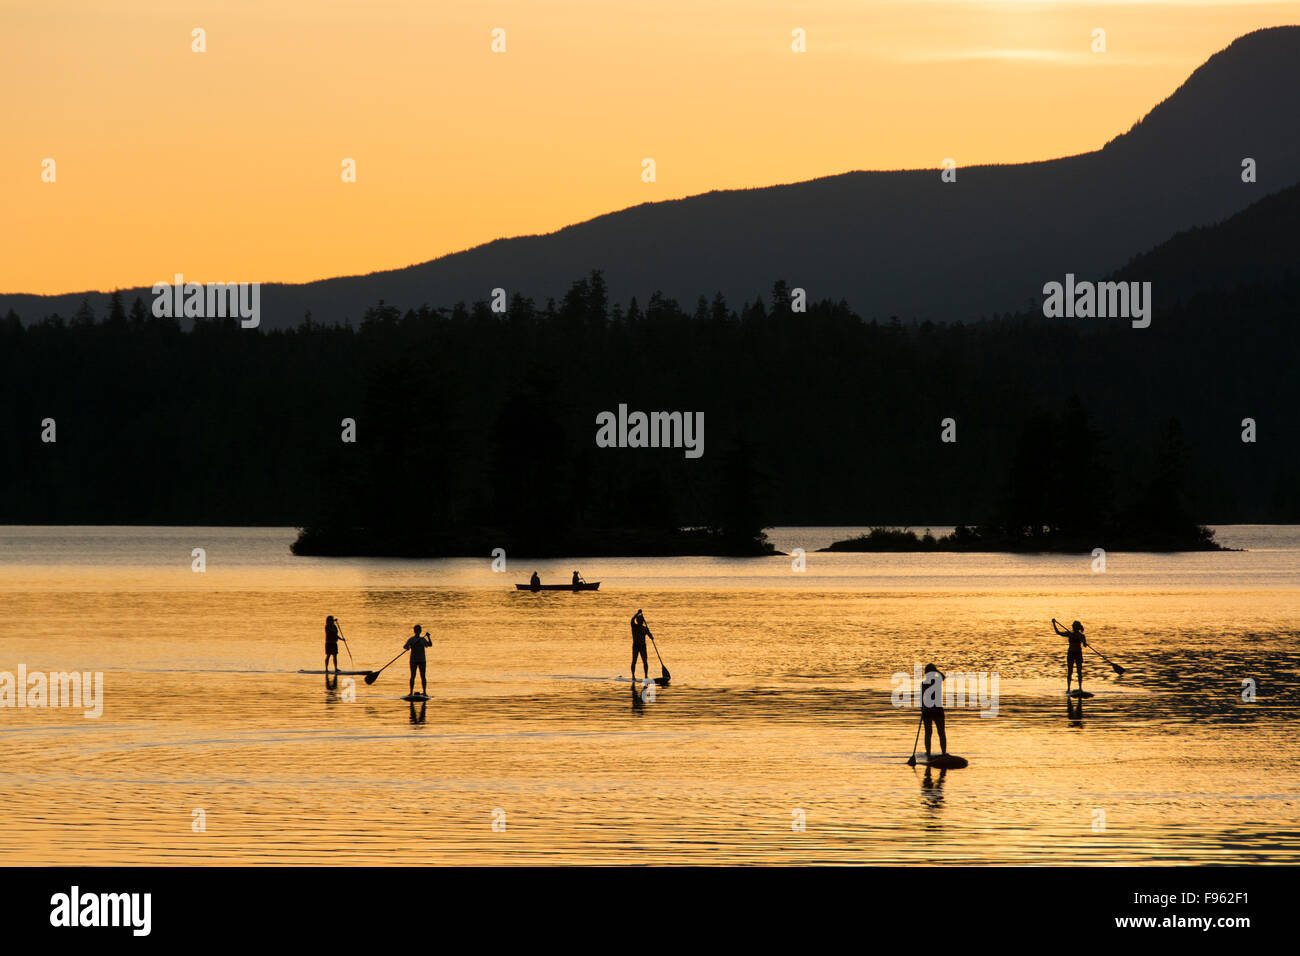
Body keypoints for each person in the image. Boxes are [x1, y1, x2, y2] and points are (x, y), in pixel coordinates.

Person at [921, 663, 948, 759]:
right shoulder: (925, 683)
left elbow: (943, 677)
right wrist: (922, 710)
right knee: (929, 733)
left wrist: (935, 670)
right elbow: (922, 698)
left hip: (936, 710)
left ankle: (943, 753)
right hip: (929, 710)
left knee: (941, 732)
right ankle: (928, 753)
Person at [1052, 618, 1087, 693]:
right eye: (1073, 626)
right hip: (1071, 654)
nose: (1072, 627)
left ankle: (1080, 688)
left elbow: (1085, 645)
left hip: (1078, 654)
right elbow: (1058, 632)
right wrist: (1054, 624)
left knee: (1079, 671)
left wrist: (1083, 641)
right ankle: (1068, 688)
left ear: (1076, 627)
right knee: (1070, 671)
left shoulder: (1082, 636)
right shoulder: (1069, 634)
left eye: (1074, 626)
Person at [405, 624, 432, 697]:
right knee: (412, 676)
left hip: (422, 660)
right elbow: (405, 646)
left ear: (420, 631)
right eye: (416, 630)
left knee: (423, 676)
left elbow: (430, 645)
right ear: (414, 631)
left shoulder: (422, 639)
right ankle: (410, 692)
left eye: (418, 630)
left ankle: (425, 692)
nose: (417, 631)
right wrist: (408, 647)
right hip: (413, 660)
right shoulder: (411, 639)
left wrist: (429, 637)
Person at [630, 609, 651, 682]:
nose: (641, 622)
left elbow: (650, 636)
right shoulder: (634, 626)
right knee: (634, 661)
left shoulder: (644, 628)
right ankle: (633, 676)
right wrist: (637, 613)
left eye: (642, 621)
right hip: (636, 646)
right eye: (640, 621)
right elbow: (632, 619)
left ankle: (646, 676)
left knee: (645, 661)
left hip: (642, 646)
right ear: (638, 621)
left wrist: (650, 635)